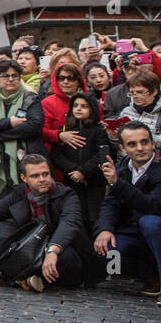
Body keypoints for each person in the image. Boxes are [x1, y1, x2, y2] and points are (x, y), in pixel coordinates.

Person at [0, 153, 101, 292]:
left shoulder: (67, 195)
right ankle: (24, 279)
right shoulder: (19, 193)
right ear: (24, 178)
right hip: (28, 252)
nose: (42, 179)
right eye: (35, 176)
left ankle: (5, 274)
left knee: (67, 257)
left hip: (59, 251)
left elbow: (69, 224)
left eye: (45, 174)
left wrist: (52, 250)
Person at [92, 122, 161, 300]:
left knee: (150, 222)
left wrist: (118, 184)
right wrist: (105, 229)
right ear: (123, 148)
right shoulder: (122, 168)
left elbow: (153, 206)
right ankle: (149, 277)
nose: (140, 148)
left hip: (158, 231)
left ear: (153, 144)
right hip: (136, 235)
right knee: (106, 251)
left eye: (144, 142)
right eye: (132, 144)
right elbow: (110, 204)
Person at [0, 58, 43, 203]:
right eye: (6, 76)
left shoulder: (31, 99)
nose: (11, 79)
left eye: (15, 76)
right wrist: (9, 122)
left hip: (26, 157)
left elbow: (33, 127)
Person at [50, 92, 110, 226]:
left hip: (95, 181)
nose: (78, 108)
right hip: (72, 180)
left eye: (84, 106)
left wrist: (83, 172)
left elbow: (101, 154)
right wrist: (73, 171)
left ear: (92, 110)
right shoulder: (65, 129)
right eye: (75, 105)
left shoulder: (98, 130)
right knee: (78, 216)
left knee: (95, 216)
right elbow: (56, 155)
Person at [118, 71, 161, 152]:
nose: (135, 96)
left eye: (140, 92)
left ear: (154, 91)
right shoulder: (126, 112)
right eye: (132, 93)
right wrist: (114, 137)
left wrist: (138, 137)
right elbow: (119, 146)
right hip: (127, 161)